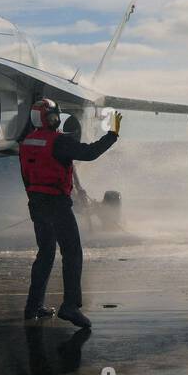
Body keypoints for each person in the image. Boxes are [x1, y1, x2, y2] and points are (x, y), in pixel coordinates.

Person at [18, 99, 120, 327]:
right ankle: (70, 307)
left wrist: (35, 198)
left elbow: (26, 175)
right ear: (50, 118)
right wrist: (112, 135)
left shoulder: (26, 142)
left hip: (36, 203)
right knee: (72, 253)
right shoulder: (59, 142)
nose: (57, 119)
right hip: (57, 204)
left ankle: (33, 306)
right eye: (55, 116)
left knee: (45, 254)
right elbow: (90, 152)